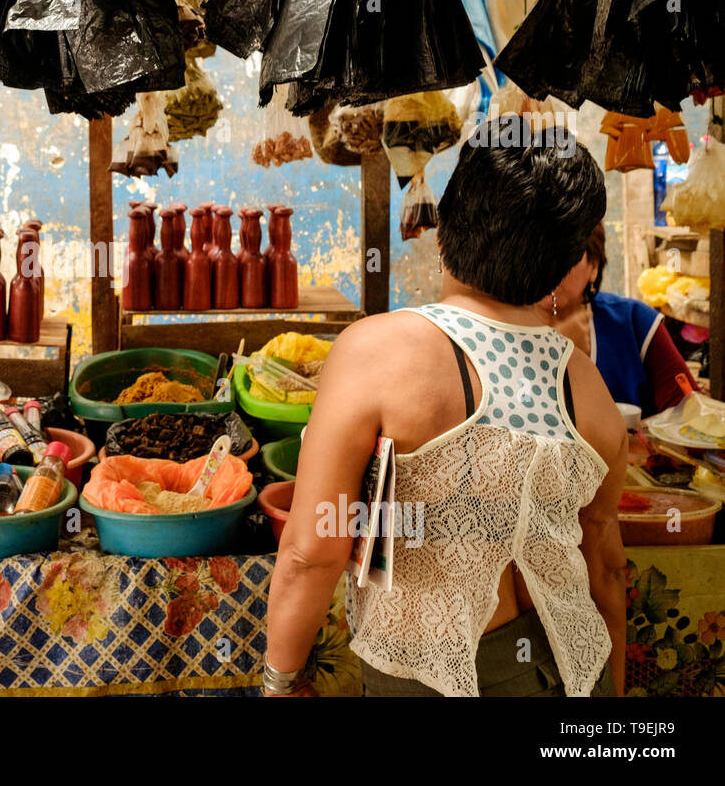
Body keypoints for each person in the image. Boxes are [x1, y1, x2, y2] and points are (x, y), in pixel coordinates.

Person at [264, 115, 627, 698]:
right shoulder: (590, 391)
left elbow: (312, 553)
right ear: (565, 266)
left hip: (434, 676)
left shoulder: (376, 352)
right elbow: (605, 568)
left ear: (443, 227)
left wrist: (277, 684)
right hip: (576, 666)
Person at [537, 223, 696, 416]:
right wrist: (558, 356)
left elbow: (689, 416)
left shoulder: (635, 323)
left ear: (594, 267)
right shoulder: (505, 328)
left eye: (566, 254)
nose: (548, 266)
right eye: (536, 251)